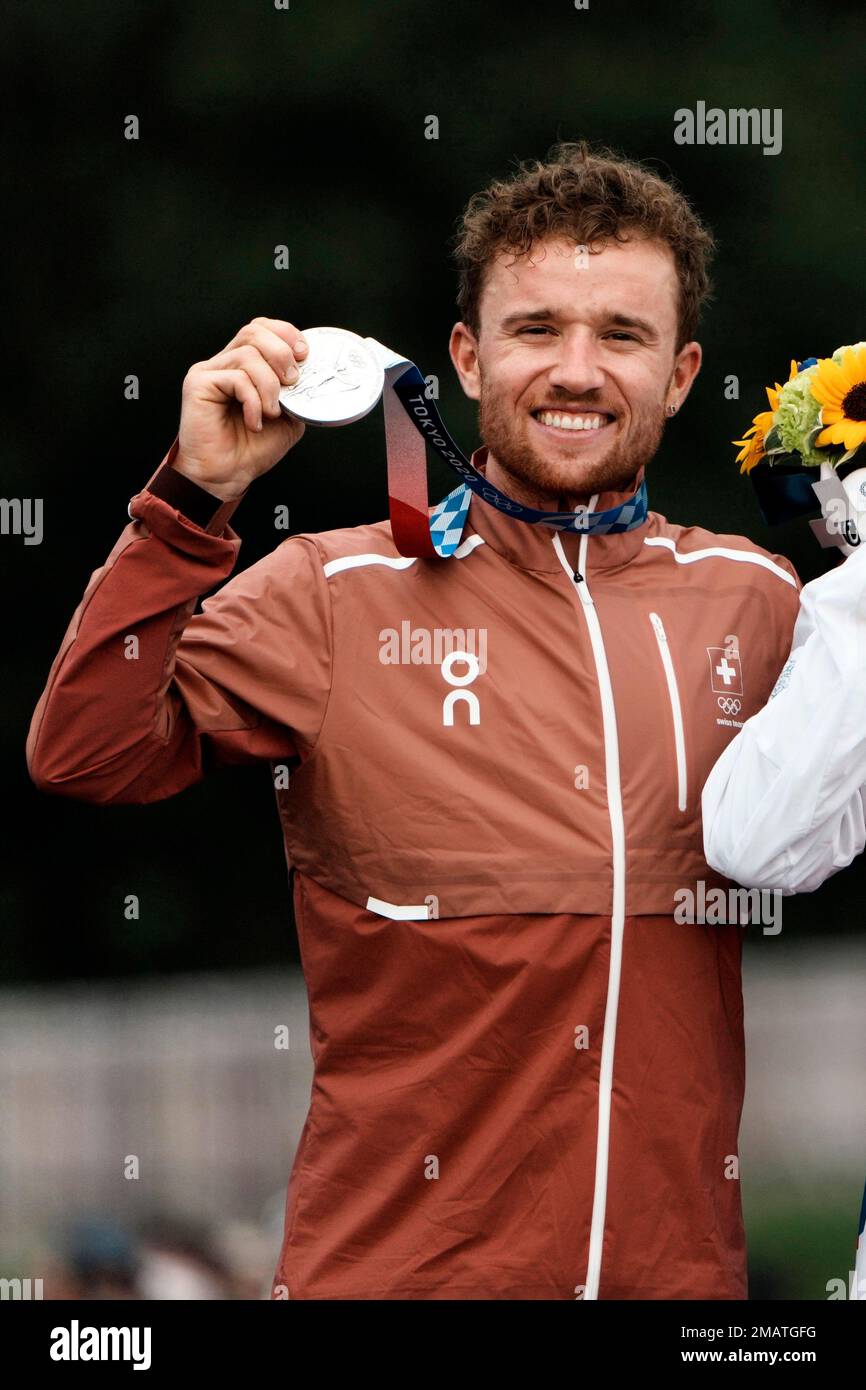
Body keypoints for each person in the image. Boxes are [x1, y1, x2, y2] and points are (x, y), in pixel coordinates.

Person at [27, 141, 803, 1301]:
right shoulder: (333, 593)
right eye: (536, 328)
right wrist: (193, 499)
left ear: (682, 372)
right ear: (466, 357)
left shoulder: (760, 601)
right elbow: (85, 751)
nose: (576, 371)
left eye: (622, 336)